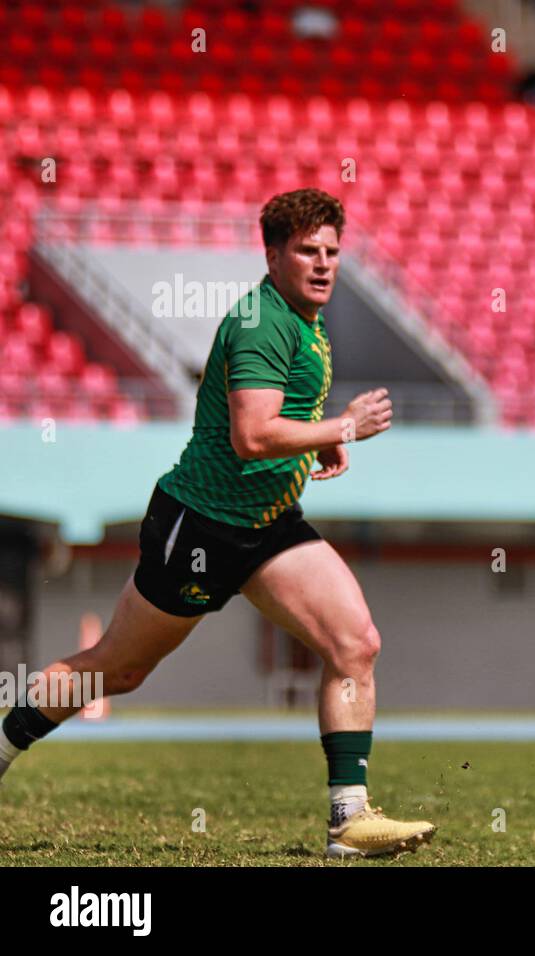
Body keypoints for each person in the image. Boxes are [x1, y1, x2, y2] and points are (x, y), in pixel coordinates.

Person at [0, 189, 435, 859]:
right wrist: (345, 424)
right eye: (307, 251)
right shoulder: (264, 322)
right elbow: (252, 436)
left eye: (332, 251)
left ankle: (348, 820)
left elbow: (276, 420)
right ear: (272, 254)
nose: (323, 264)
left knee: (356, 643)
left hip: (267, 526)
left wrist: (319, 439)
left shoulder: (303, 318)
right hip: (200, 528)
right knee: (115, 672)